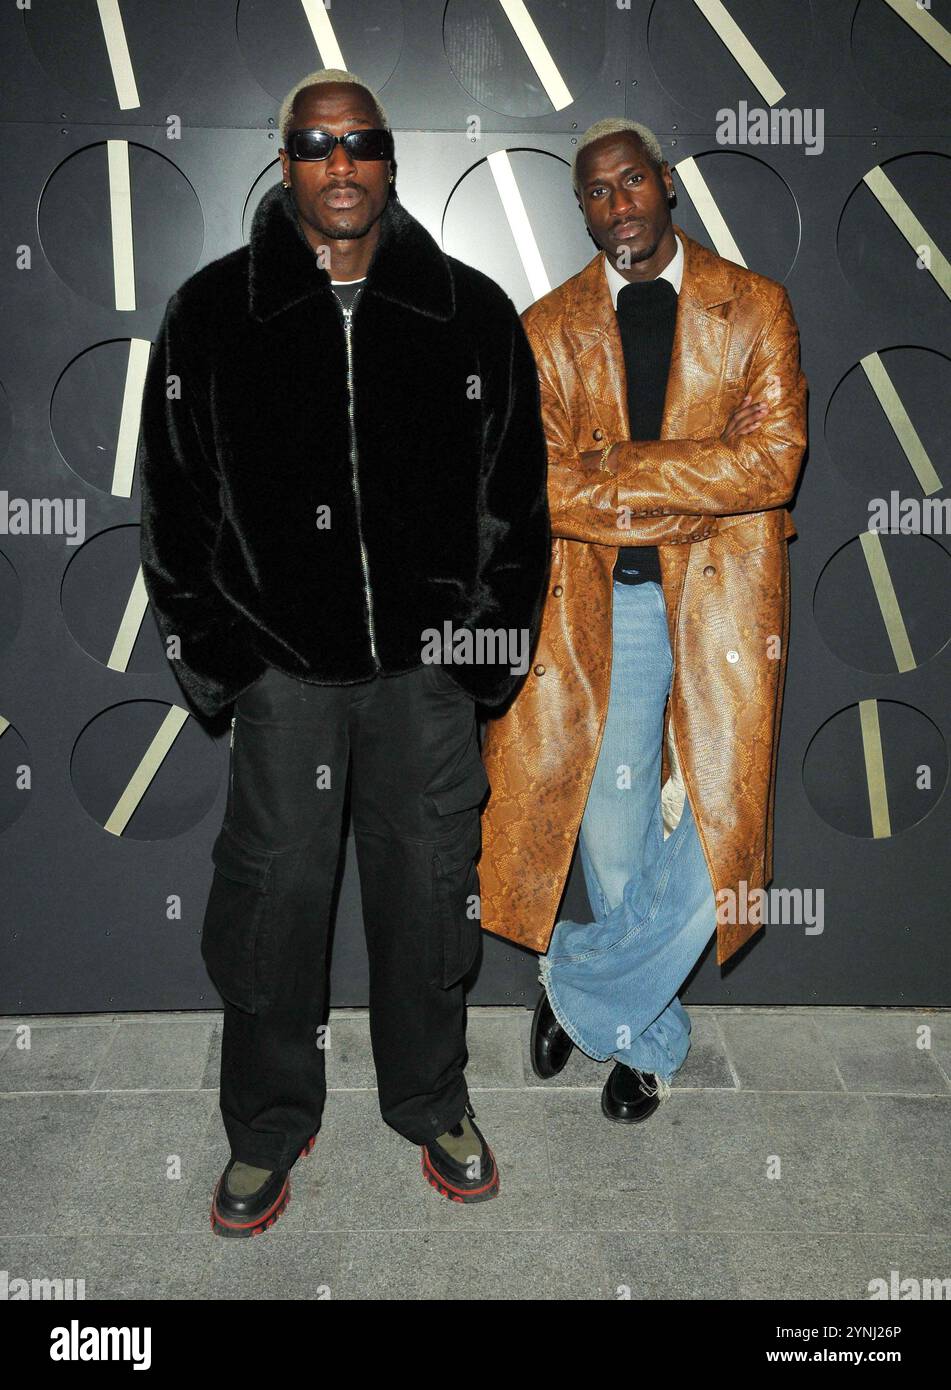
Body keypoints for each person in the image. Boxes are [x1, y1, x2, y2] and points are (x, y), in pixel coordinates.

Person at [137, 69, 550, 1235]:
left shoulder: (469, 313)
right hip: (286, 679)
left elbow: (516, 510)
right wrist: (232, 666)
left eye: (361, 140)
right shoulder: (214, 312)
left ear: (388, 161)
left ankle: (432, 1100)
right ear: (285, 163)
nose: (341, 162)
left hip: (425, 682)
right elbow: (174, 507)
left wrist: (476, 661)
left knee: (429, 906)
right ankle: (267, 1125)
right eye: (316, 143)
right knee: (272, 915)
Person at [478, 117, 807, 1122]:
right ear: (582, 208)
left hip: (722, 611)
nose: (616, 205)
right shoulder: (545, 328)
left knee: (720, 849)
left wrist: (615, 469)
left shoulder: (753, 309)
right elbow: (537, 487)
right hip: (599, 613)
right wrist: (696, 477)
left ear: (665, 184)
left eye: (630, 183)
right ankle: (640, 1040)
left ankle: (573, 986)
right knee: (613, 846)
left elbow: (774, 464)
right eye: (595, 193)